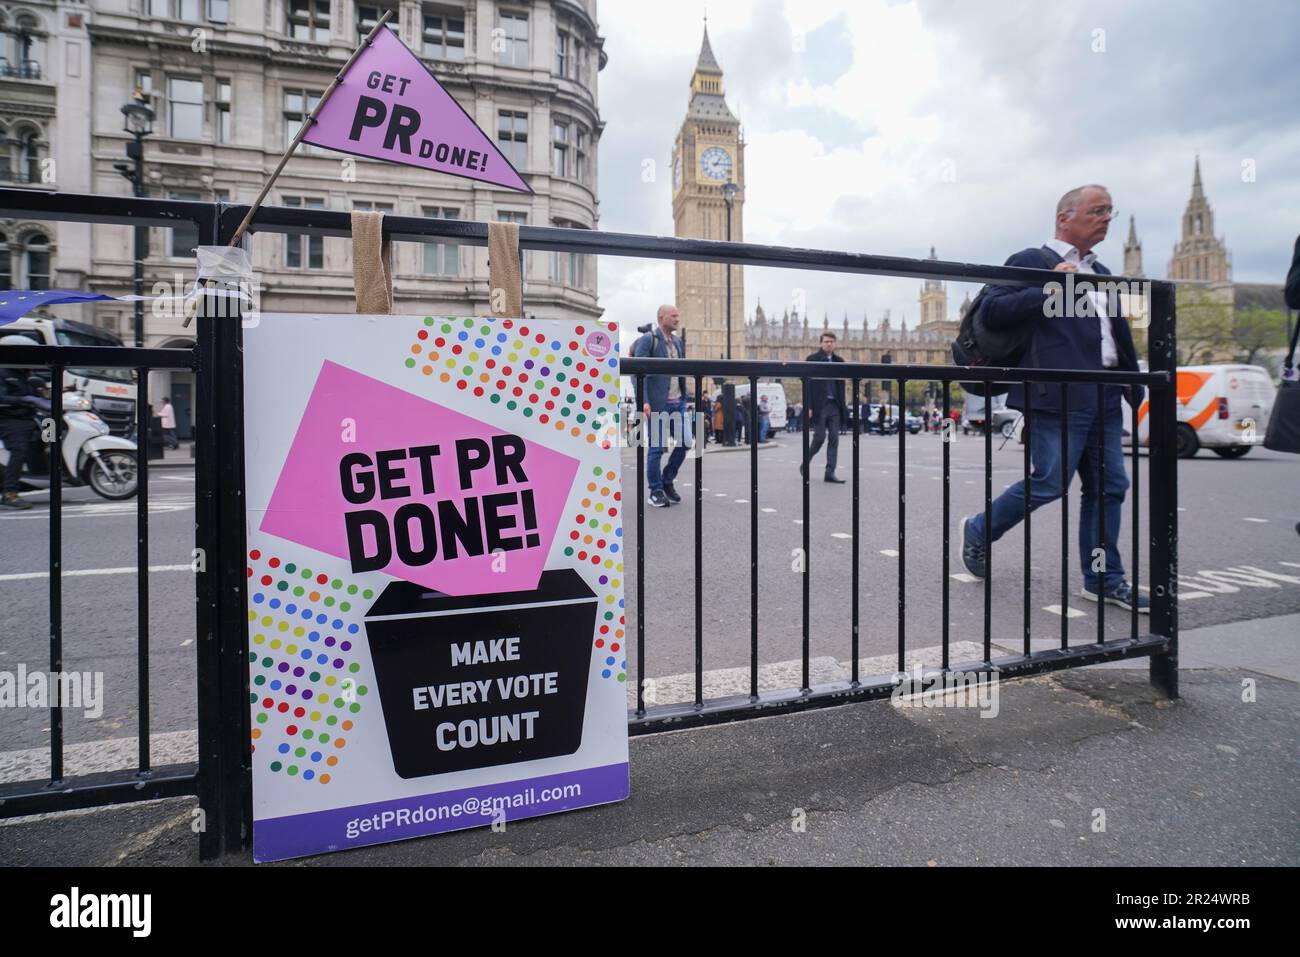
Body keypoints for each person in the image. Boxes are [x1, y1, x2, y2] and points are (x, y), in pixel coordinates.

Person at [961, 184, 1148, 613]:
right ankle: (978, 529)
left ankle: (1103, 579)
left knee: (1110, 487)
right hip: (1056, 392)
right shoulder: (1031, 261)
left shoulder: (1102, 272)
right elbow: (992, 312)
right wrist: (1048, 287)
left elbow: (1115, 335)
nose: (1105, 218)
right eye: (1097, 210)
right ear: (1065, 217)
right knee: (1049, 482)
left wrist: (1132, 380)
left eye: (1110, 212)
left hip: (1104, 392)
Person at [632, 304, 691, 508]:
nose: (677, 319)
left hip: (678, 403)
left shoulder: (678, 342)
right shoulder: (650, 339)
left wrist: (686, 397)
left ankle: (667, 480)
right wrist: (644, 401)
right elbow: (637, 372)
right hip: (657, 404)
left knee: (686, 442)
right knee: (656, 449)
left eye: (678, 315)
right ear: (661, 318)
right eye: (673, 316)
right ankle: (655, 490)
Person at [0, 335, 47, 510]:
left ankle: (46, 471)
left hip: (29, 418)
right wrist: (24, 399)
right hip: (9, 419)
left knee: (50, 437)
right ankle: (10, 494)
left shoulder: (25, 373)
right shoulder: (3, 371)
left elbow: (38, 391)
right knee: (19, 449)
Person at [799, 332, 847, 483]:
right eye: (826, 342)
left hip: (834, 405)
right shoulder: (812, 359)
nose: (829, 344)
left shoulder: (839, 361)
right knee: (819, 437)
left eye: (832, 342)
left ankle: (829, 472)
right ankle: (805, 463)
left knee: (834, 438)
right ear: (821, 343)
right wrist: (808, 406)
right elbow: (806, 384)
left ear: (835, 344)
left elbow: (841, 386)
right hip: (819, 405)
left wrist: (843, 407)